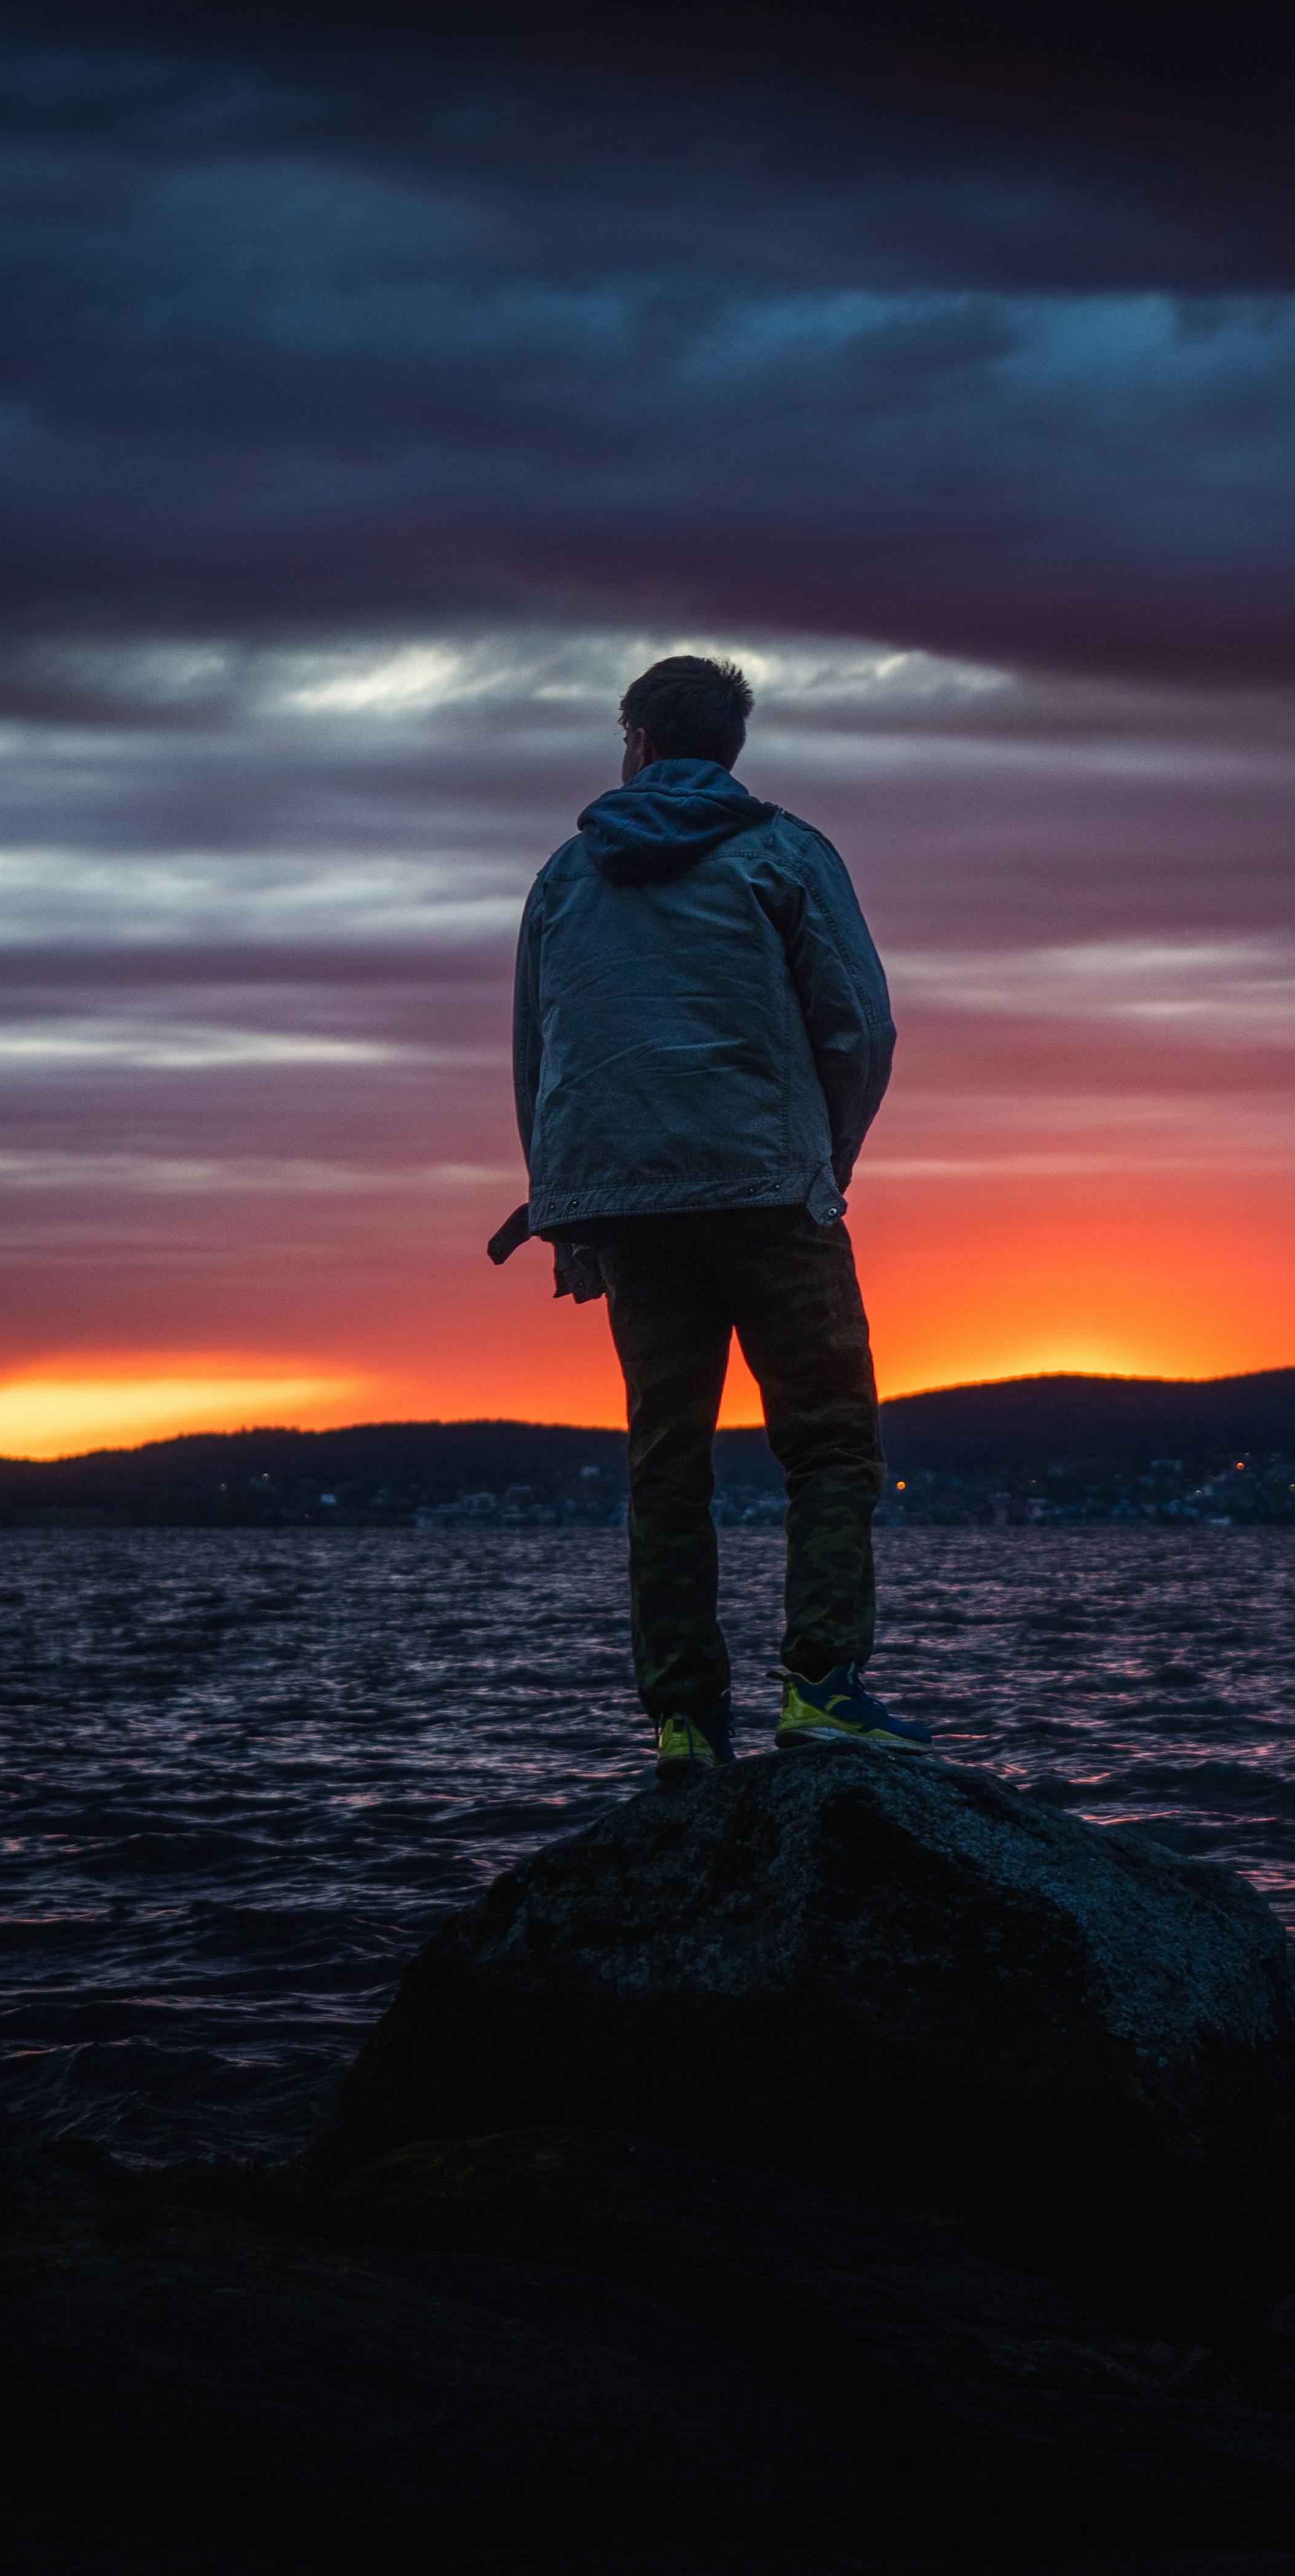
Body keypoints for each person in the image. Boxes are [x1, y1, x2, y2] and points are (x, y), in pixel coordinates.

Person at [492, 653, 932, 1782]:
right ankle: (822, 1690)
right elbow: (860, 1027)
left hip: (626, 1208)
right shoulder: (784, 852)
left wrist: (571, 1206)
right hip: (768, 1192)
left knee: (666, 1459)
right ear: (730, 746)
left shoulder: (562, 878)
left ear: (634, 739)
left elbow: (540, 1053)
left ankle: (685, 1721)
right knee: (828, 1443)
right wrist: (822, 1161)